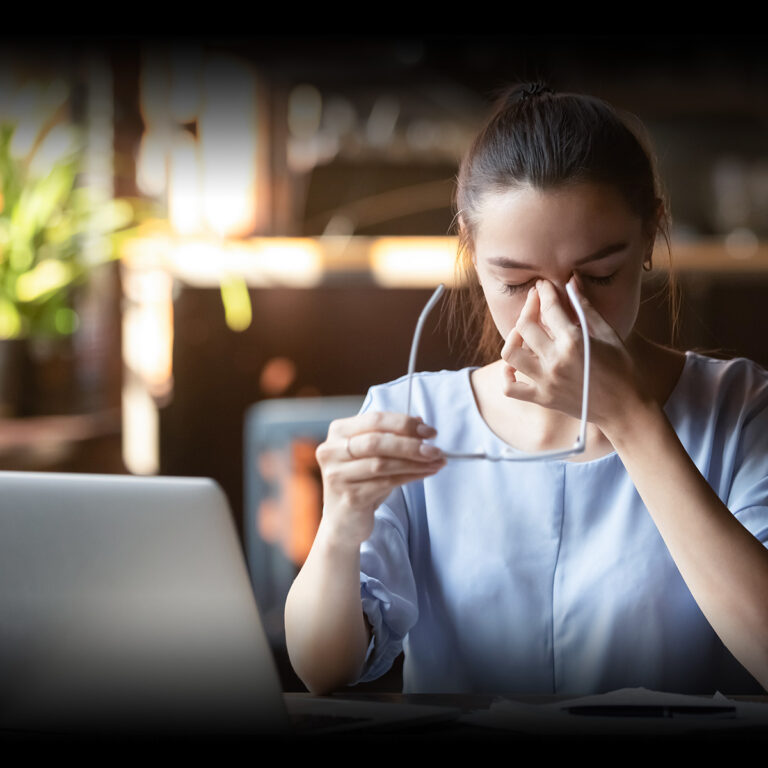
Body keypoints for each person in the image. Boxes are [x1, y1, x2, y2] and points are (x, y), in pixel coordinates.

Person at [284, 82, 768, 697]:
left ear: (651, 234)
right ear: (472, 250)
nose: (555, 314)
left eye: (599, 275)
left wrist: (630, 419)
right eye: (515, 283)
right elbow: (322, 671)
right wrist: (339, 529)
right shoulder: (415, 415)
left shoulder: (741, 409)